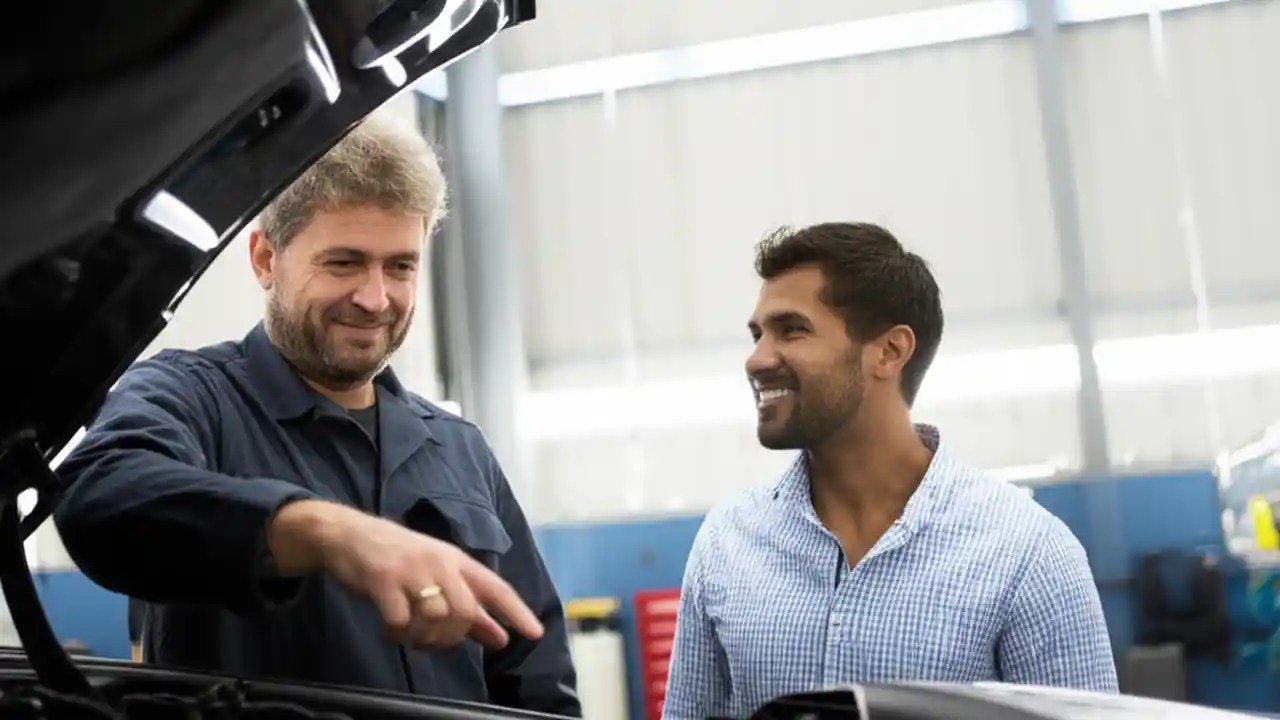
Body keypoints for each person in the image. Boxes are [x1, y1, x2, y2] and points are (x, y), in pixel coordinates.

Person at [53, 116, 580, 715]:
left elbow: (536, 682)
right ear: (264, 259)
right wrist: (328, 535)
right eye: (344, 263)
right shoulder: (189, 397)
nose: (376, 298)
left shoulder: (461, 450)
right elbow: (99, 495)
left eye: (400, 266)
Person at [662, 222, 1117, 719]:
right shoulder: (727, 543)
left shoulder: (1028, 554)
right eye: (757, 334)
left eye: (791, 329)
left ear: (890, 351)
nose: (756, 359)